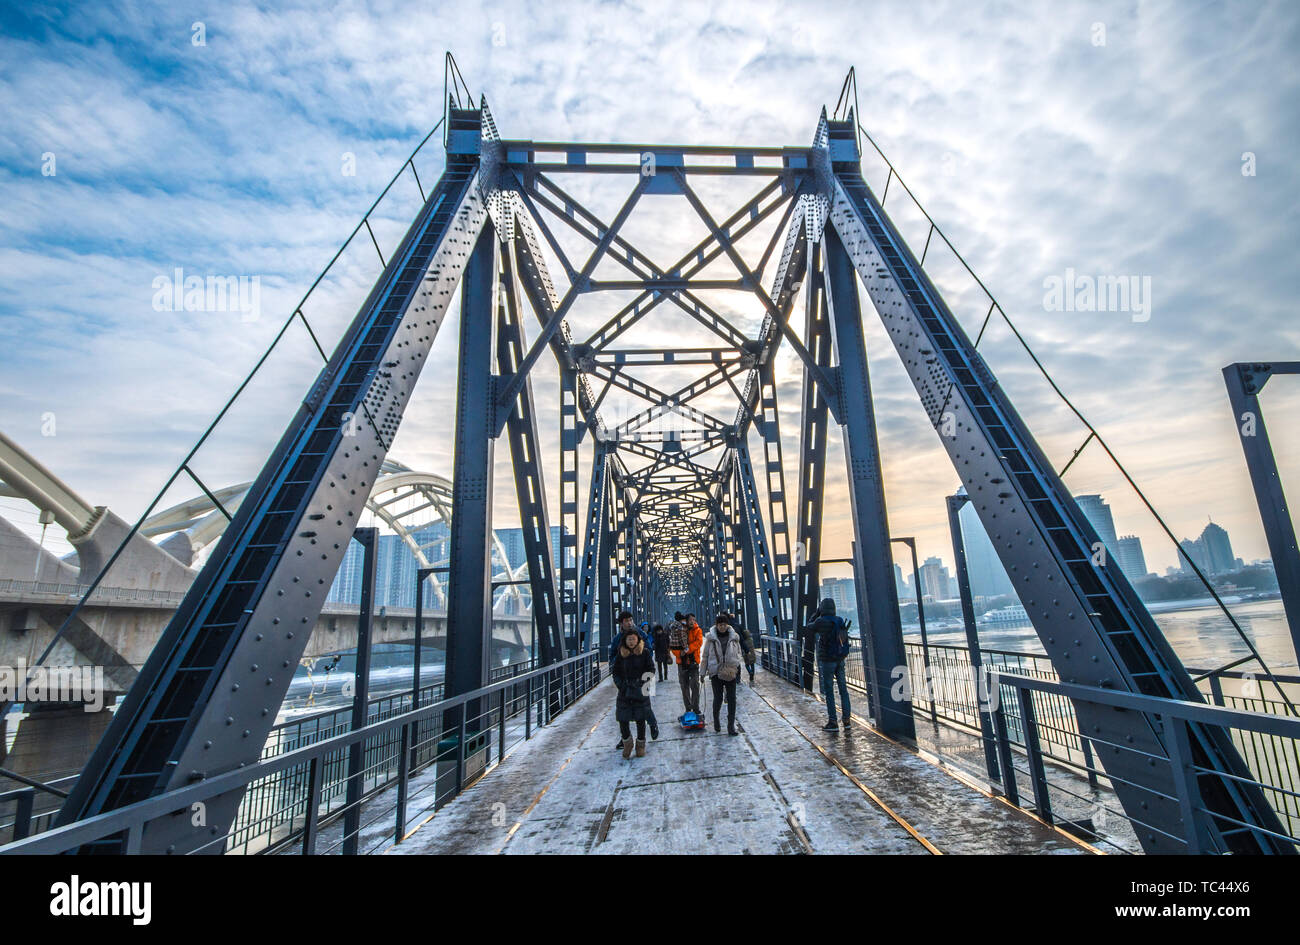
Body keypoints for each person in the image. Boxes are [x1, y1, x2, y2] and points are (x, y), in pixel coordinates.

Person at [611, 610, 660, 748]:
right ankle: (625, 737)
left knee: (645, 704)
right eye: (626, 621)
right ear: (621, 623)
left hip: (643, 675)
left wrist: (641, 658)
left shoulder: (640, 634)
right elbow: (612, 658)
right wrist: (622, 661)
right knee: (625, 709)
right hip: (627, 679)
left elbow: (649, 649)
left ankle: (652, 724)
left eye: (631, 620)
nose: (629, 623)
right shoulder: (617, 639)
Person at [803, 598, 852, 731]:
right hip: (840, 659)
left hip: (827, 660)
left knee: (829, 691)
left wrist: (816, 614)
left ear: (822, 608)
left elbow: (809, 627)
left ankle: (833, 722)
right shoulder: (839, 620)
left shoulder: (820, 621)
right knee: (843, 690)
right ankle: (847, 720)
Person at [701, 615, 744, 735]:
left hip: (730, 671)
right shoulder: (711, 639)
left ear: (727, 625)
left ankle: (731, 727)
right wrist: (702, 672)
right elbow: (705, 657)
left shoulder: (734, 638)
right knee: (718, 698)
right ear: (716, 625)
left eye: (724, 624)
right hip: (715, 672)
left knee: (732, 699)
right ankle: (716, 720)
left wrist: (736, 664)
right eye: (720, 624)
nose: (722, 627)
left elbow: (739, 652)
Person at [670, 610, 702, 715]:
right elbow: (673, 646)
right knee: (684, 686)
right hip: (682, 663)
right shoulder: (678, 630)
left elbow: (699, 642)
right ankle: (688, 708)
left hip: (693, 662)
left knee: (695, 685)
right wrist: (680, 653)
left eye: (694, 620)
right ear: (686, 621)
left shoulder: (697, 630)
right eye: (690, 620)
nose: (692, 622)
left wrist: (687, 650)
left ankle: (695, 707)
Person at [719, 611, 757, 685]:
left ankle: (731, 678)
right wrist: (746, 649)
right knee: (738, 662)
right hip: (738, 647)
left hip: (730, 647)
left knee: (732, 662)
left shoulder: (726, 627)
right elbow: (742, 638)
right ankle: (738, 679)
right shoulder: (736, 624)